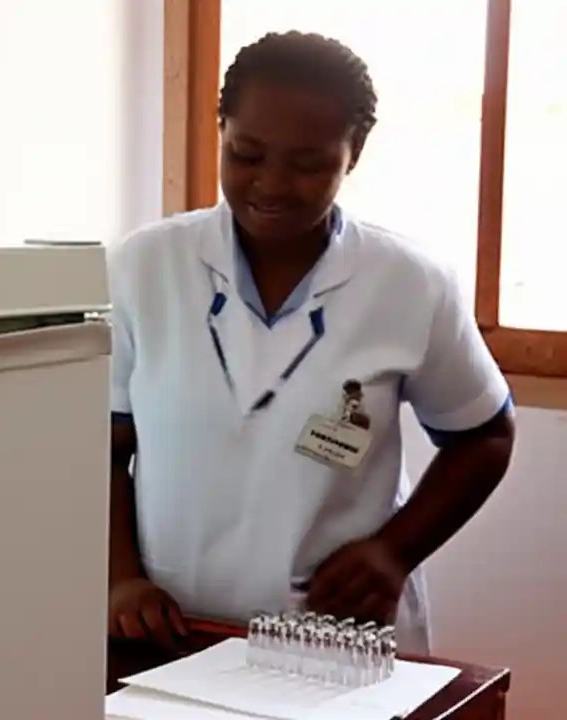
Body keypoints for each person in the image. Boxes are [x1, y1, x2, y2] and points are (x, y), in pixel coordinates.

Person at [105, 31, 515, 656]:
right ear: (221, 131)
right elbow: (102, 448)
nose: (271, 184)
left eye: (307, 164)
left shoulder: (410, 283)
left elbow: (485, 435)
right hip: (175, 630)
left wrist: (394, 552)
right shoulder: (144, 267)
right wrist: (120, 579)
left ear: (354, 154)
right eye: (246, 154)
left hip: (338, 639)